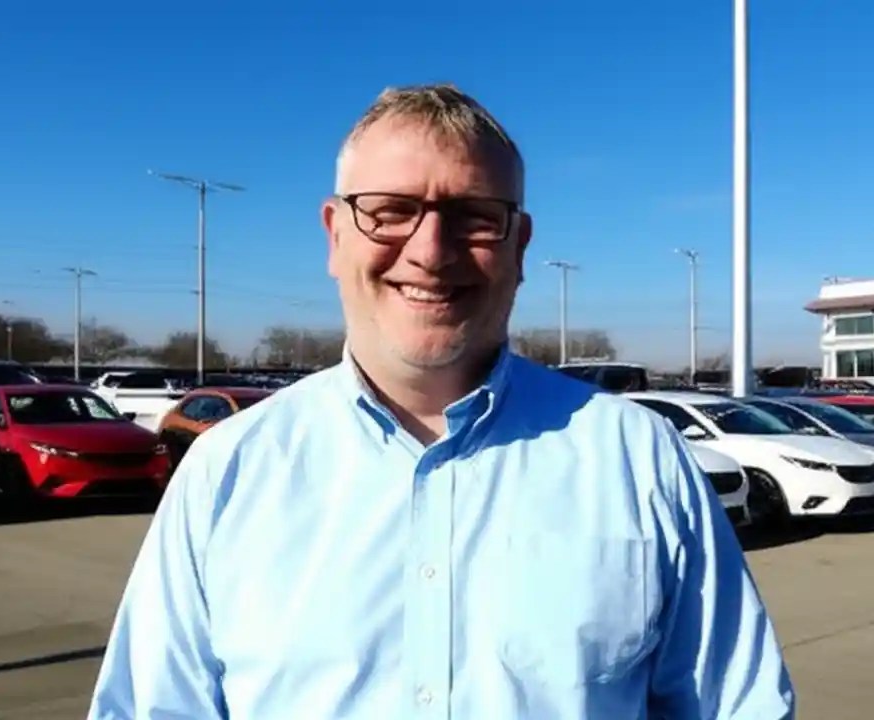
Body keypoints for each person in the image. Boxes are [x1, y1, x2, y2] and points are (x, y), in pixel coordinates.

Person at [88, 83, 795, 719]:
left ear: (519, 245)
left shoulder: (639, 460)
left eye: (474, 216)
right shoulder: (228, 471)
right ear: (335, 235)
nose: (430, 249)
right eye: (390, 211)